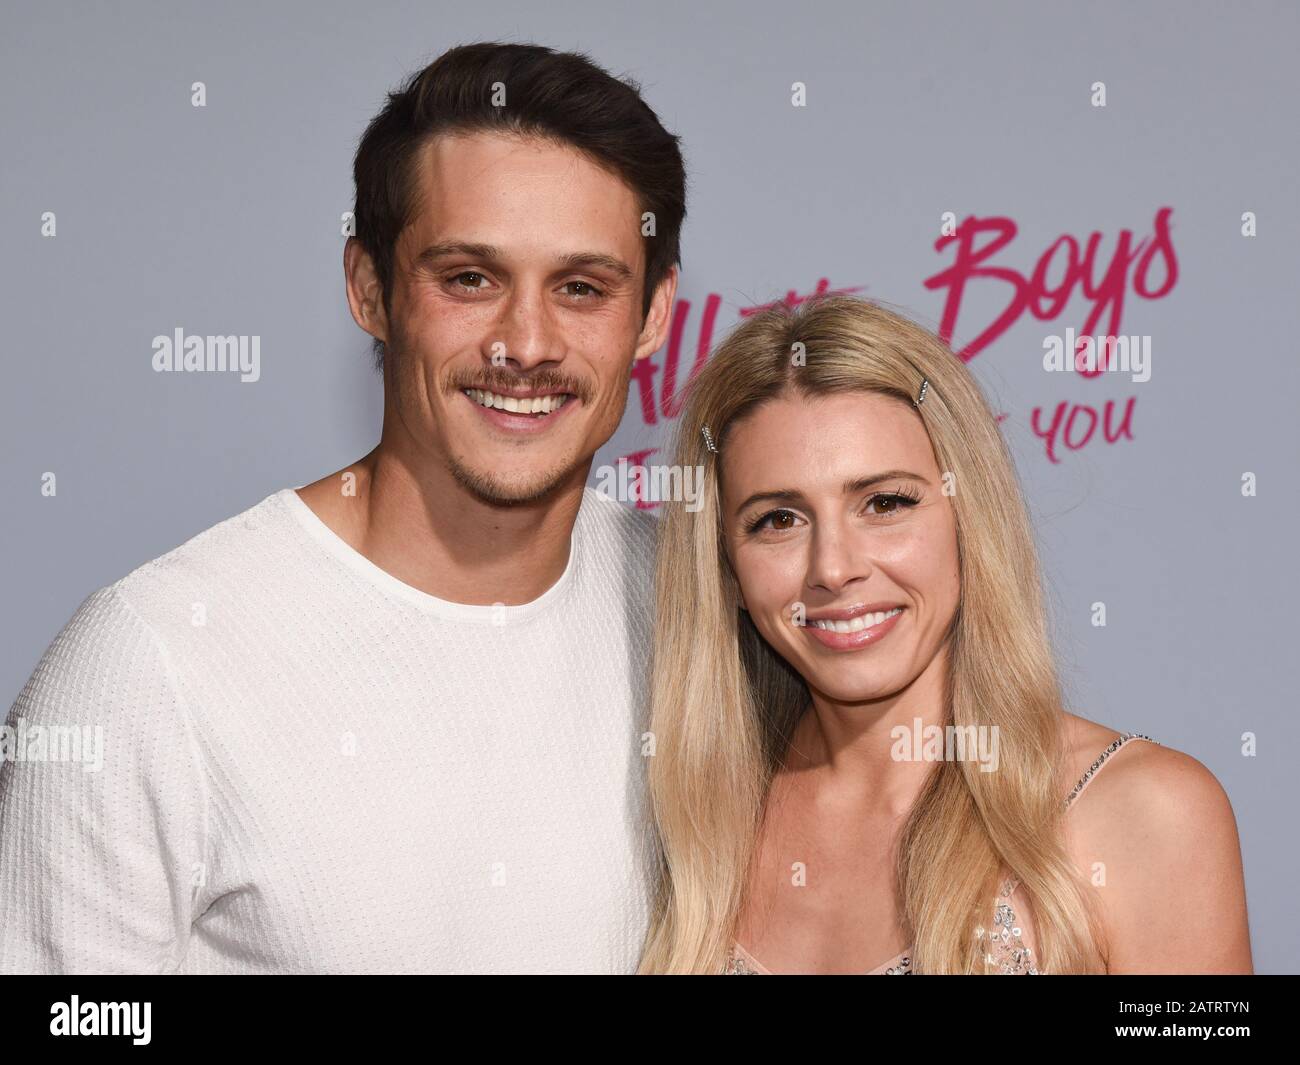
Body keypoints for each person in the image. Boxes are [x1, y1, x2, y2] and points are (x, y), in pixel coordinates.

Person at [0, 41, 684, 974]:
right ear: (370, 288)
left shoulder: (704, 617)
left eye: (581, 288)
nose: (526, 343)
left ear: (653, 316)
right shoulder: (149, 661)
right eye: (468, 278)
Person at [639, 294, 1252, 975]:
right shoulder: (693, 821)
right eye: (778, 519)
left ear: (968, 515)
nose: (834, 568)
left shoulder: (1145, 814)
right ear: (726, 561)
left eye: (885, 502)